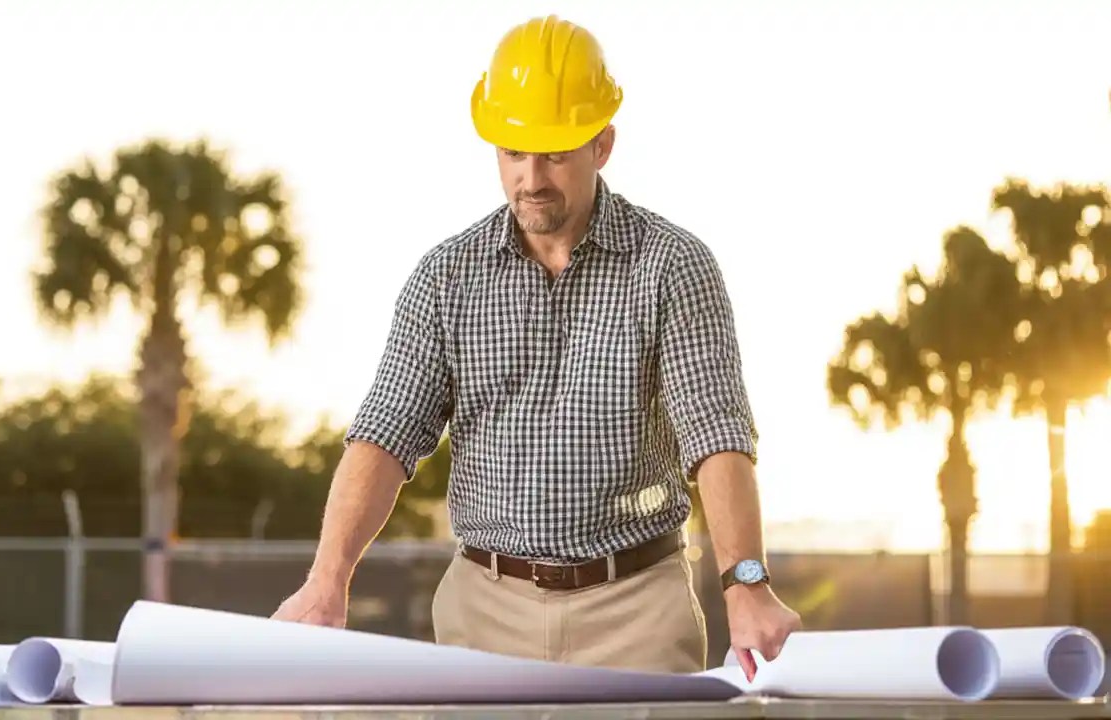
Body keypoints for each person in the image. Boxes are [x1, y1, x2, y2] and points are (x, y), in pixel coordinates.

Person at [272, 14, 800, 679]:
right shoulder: (445, 277)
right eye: (513, 153)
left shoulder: (672, 266)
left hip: (637, 608)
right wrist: (327, 581)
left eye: (553, 153)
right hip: (483, 610)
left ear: (602, 145)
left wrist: (745, 584)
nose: (531, 177)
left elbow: (715, 432)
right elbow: (385, 433)